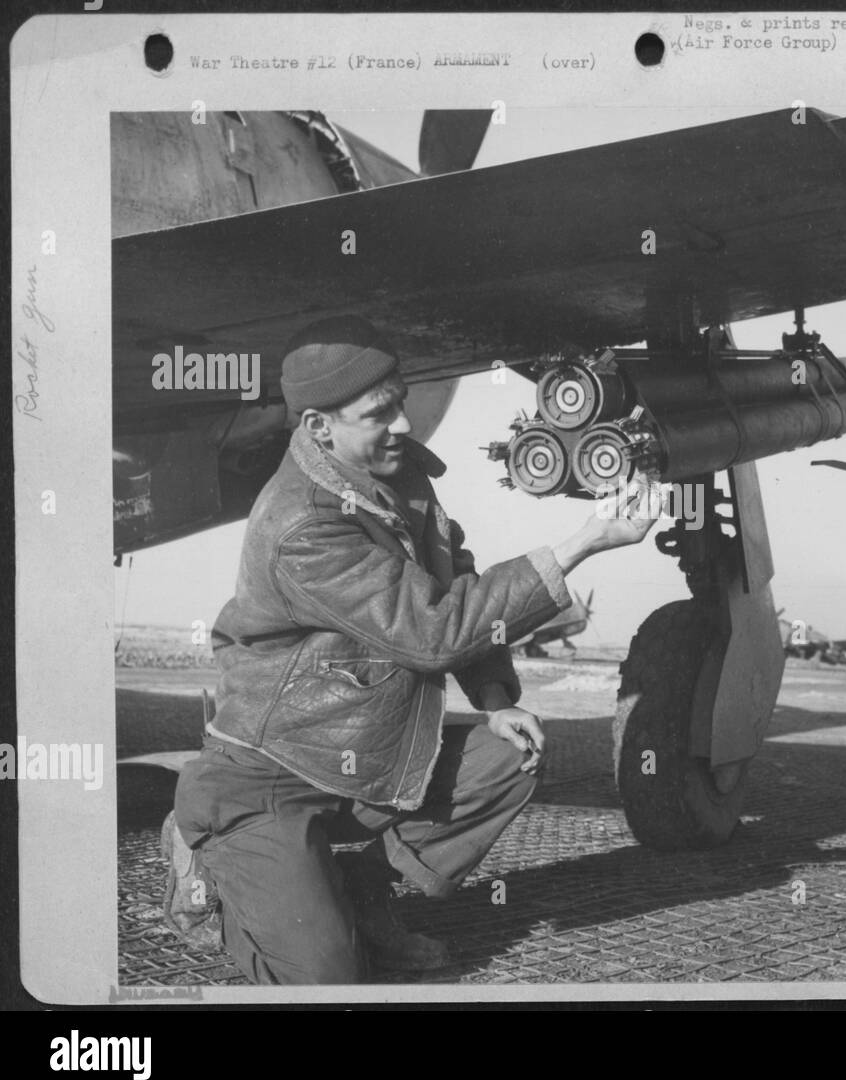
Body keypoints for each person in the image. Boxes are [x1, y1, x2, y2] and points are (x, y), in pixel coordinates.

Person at [161, 315, 659, 984]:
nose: (402, 425)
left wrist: (493, 701)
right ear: (318, 429)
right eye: (379, 413)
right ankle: (210, 881)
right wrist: (581, 545)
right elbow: (431, 630)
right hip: (268, 780)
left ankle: (364, 894)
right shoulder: (302, 524)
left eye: (400, 403)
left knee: (513, 751)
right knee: (326, 980)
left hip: (369, 758)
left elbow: (456, 582)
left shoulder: (395, 477)